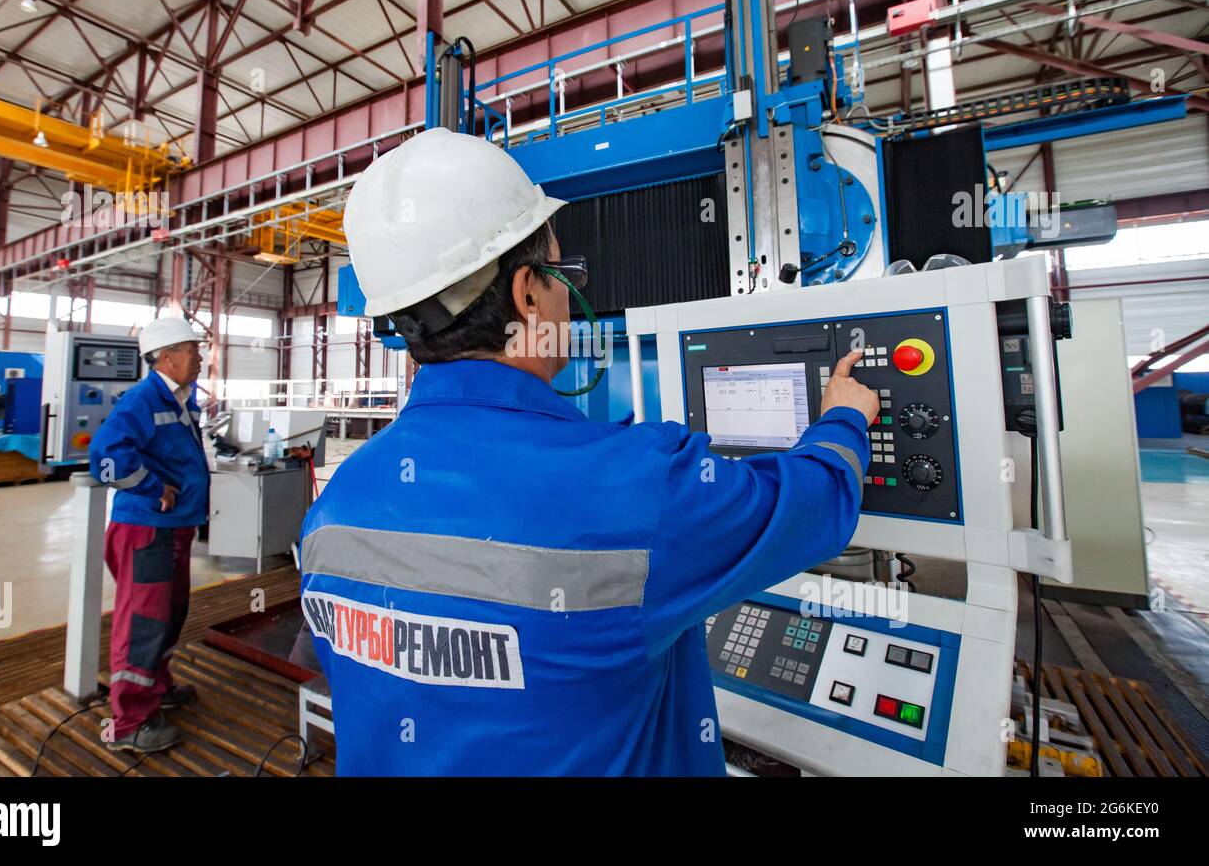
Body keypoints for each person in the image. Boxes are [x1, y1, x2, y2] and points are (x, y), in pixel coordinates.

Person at [299, 127, 877, 775]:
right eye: (561, 275)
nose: (569, 301)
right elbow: (819, 504)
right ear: (525, 294)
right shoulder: (636, 488)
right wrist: (845, 418)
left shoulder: (333, 508)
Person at [89, 316, 210, 754]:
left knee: (168, 616)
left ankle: (155, 688)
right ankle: (129, 722)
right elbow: (104, 455)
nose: (199, 357)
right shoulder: (142, 399)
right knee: (142, 624)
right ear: (166, 357)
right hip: (146, 531)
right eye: (192, 350)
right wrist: (151, 487)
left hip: (174, 530)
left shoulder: (180, 398)